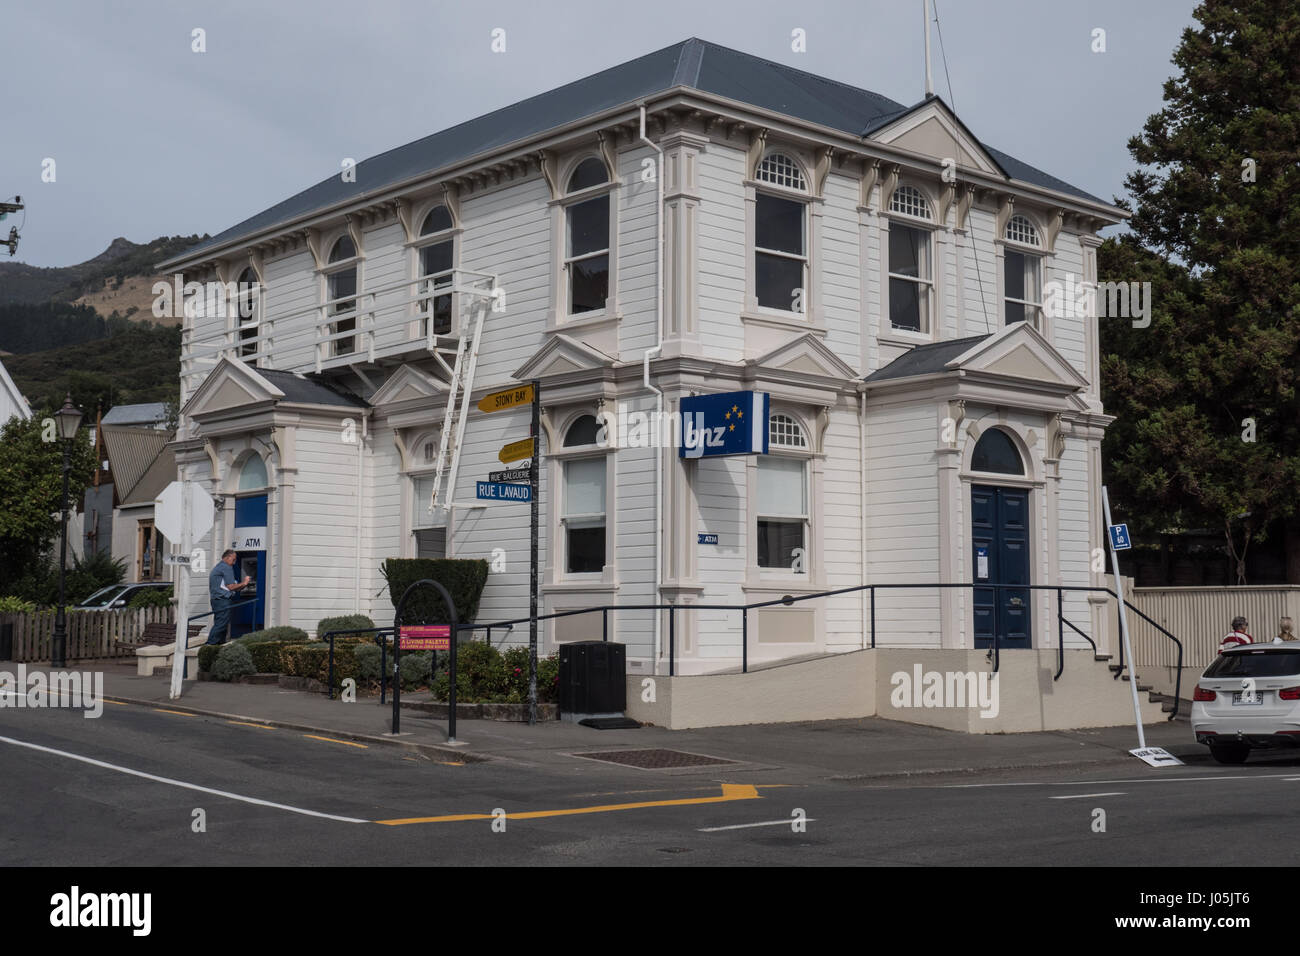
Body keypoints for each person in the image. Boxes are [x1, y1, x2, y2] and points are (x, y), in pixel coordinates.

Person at [207, 549, 251, 645]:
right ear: (227, 558)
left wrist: (242, 585)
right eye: (233, 560)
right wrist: (244, 583)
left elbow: (228, 587)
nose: (234, 563)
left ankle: (219, 644)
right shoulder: (226, 567)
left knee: (222, 623)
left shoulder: (218, 567)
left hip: (216, 600)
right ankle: (209, 645)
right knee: (221, 624)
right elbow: (231, 587)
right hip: (222, 600)